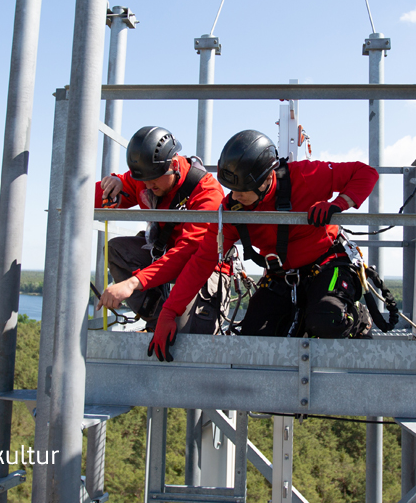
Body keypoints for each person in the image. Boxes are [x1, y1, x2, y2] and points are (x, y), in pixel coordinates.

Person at [147, 129, 379, 362]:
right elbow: (203, 261)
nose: (235, 197)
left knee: (327, 318)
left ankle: (358, 319)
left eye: (241, 190)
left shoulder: (305, 176)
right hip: (283, 276)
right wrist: (169, 311)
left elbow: (364, 173)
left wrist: (339, 203)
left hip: (327, 263)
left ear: (268, 177)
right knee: (254, 343)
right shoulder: (232, 211)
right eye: (231, 189)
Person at [95, 126, 230, 334]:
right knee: (116, 249)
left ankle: (172, 321)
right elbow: (100, 195)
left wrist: (133, 283)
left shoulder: (207, 193)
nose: (148, 186)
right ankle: (156, 320)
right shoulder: (149, 177)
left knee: (183, 334)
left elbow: (189, 252)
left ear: (173, 164)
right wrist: (113, 184)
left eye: (153, 179)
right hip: (167, 258)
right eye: (143, 180)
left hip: (203, 267)